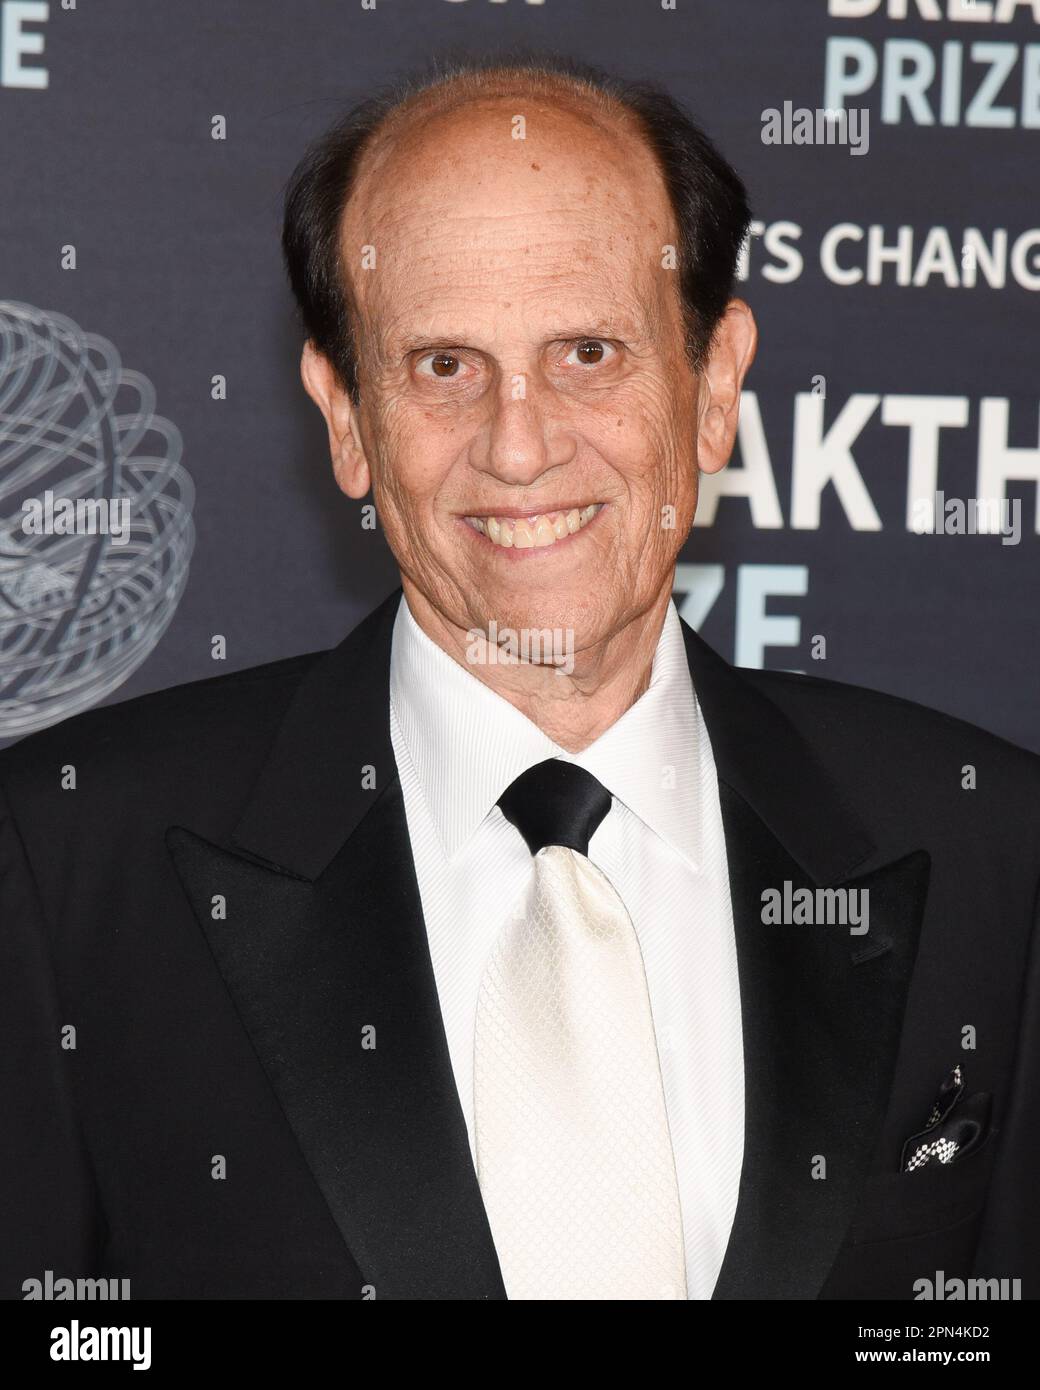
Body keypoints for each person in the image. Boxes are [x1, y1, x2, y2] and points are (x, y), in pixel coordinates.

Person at [2, 56, 1038, 1301]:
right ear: (344, 417)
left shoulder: (986, 844)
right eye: (442, 365)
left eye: (587, 352)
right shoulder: (64, 862)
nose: (519, 440)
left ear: (713, 387)